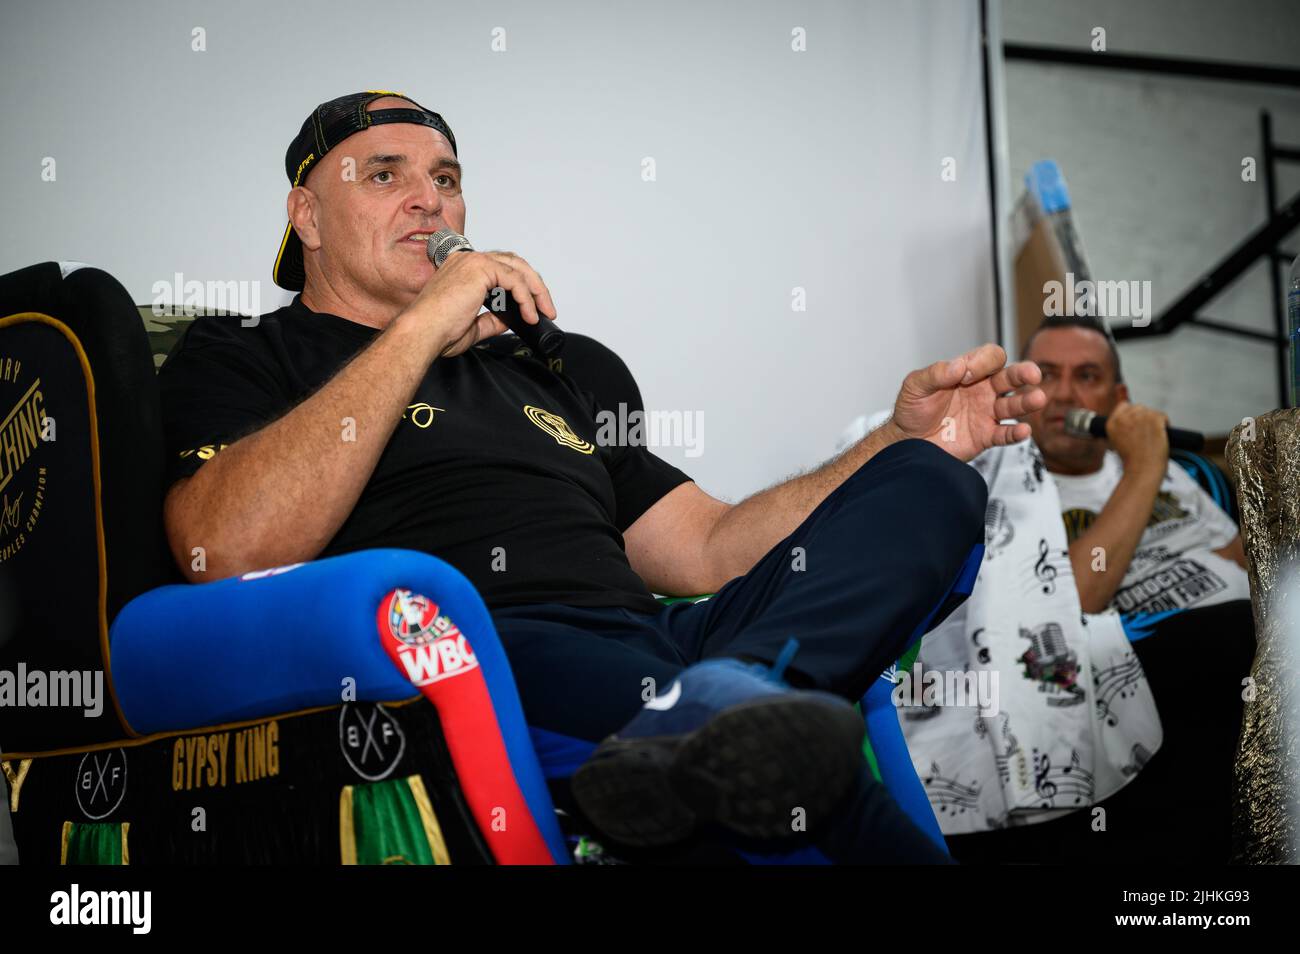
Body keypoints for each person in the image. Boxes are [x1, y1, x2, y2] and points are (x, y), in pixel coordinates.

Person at [159, 90, 1046, 863]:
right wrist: (425, 325)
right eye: (384, 175)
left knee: (930, 488)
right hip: (481, 648)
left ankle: (711, 715)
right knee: (781, 770)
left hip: (665, 649)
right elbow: (223, 547)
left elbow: (705, 550)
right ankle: (720, 724)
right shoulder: (242, 354)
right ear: (307, 217)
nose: (430, 200)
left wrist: (895, 440)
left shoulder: (560, 369)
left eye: (447, 176)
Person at [946, 316, 1254, 864]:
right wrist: (1143, 468)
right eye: (1048, 375)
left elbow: (1247, 568)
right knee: (1231, 635)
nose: (1064, 393)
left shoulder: (1175, 475)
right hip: (1133, 661)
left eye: (1086, 376)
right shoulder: (1003, 485)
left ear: (1119, 399)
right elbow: (1062, 609)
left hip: (1237, 654)